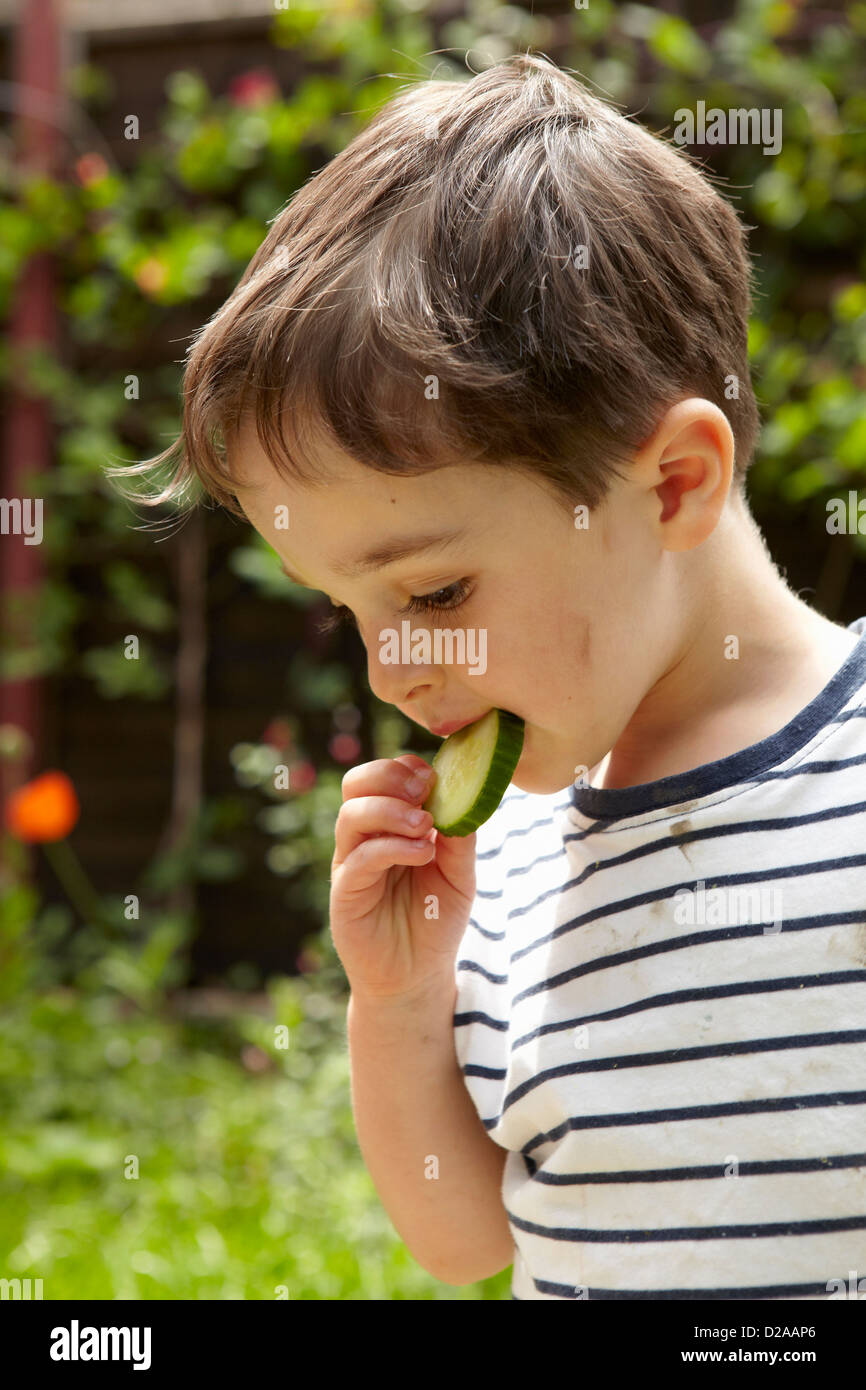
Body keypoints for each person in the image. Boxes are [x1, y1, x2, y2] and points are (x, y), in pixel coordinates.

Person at [109, 53, 866, 1300]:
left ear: (673, 484)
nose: (389, 673)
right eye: (346, 611)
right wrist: (400, 999)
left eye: (433, 595)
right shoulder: (496, 855)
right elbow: (464, 1239)